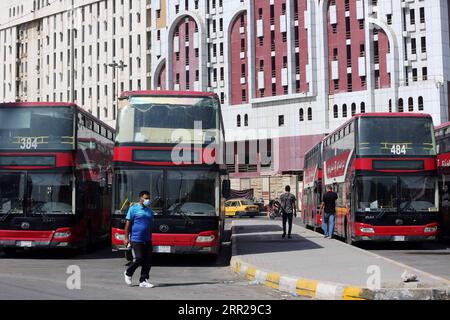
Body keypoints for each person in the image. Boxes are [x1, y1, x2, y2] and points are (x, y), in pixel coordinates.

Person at [123, 190, 155, 288]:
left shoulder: (149, 211)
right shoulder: (133, 208)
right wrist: (126, 238)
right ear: (141, 198)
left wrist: (150, 238)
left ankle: (143, 280)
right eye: (146, 198)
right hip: (136, 239)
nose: (148, 200)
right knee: (139, 258)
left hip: (147, 239)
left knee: (148, 260)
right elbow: (128, 224)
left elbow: (150, 225)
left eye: (149, 198)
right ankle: (128, 272)